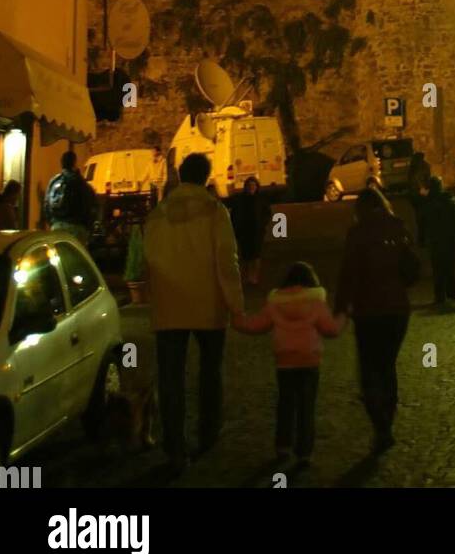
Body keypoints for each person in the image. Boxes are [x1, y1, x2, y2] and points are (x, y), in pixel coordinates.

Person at [143, 152, 244, 475]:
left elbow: (149, 262)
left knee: (170, 379)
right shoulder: (215, 212)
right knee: (210, 372)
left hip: (169, 306)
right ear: (206, 177)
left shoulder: (158, 216)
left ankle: (175, 445)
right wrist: (236, 306)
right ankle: (209, 431)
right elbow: (227, 262)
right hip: (208, 304)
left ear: (181, 175)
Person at [231, 260, 345, 465]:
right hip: (310, 361)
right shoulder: (316, 302)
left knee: (285, 404)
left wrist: (237, 319)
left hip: (285, 362)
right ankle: (304, 452)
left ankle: (283, 446)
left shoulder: (275, 303)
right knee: (306, 407)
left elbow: (256, 325)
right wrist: (344, 316)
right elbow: (331, 330)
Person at [334, 186, 419, 454]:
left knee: (370, 369)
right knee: (387, 365)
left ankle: (381, 426)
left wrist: (340, 307)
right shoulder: (398, 228)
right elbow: (412, 270)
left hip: (369, 310)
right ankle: (387, 420)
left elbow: (348, 273)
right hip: (396, 309)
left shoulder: (357, 234)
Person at [418, 175, 455, 304]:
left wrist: (422, 239)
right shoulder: (448, 199)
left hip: (435, 240)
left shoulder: (426, 203)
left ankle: (439, 295)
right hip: (450, 238)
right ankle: (452, 292)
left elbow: (422, 223)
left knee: (438, 268)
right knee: (451, 266)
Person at [43, 150, 97, 244]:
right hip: (77, 227)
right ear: (74, 163)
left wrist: (52, 223)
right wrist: (88, 227)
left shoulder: (54, 181)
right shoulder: (81, 183)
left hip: (57, 226)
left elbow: (46, 205)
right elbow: (91, 205)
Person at [229, 177, 267, 286]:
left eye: (253, 186)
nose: (251, 188)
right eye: (249, 186)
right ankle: (246, 277)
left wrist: (262, 225)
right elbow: (235, 214)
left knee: (256, 256)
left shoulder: (260, 200)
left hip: (257, 232)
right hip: (244, 232)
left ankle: (254, 276)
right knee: (245, 256)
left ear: (256, 187)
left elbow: (266, 213)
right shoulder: (240, 200)